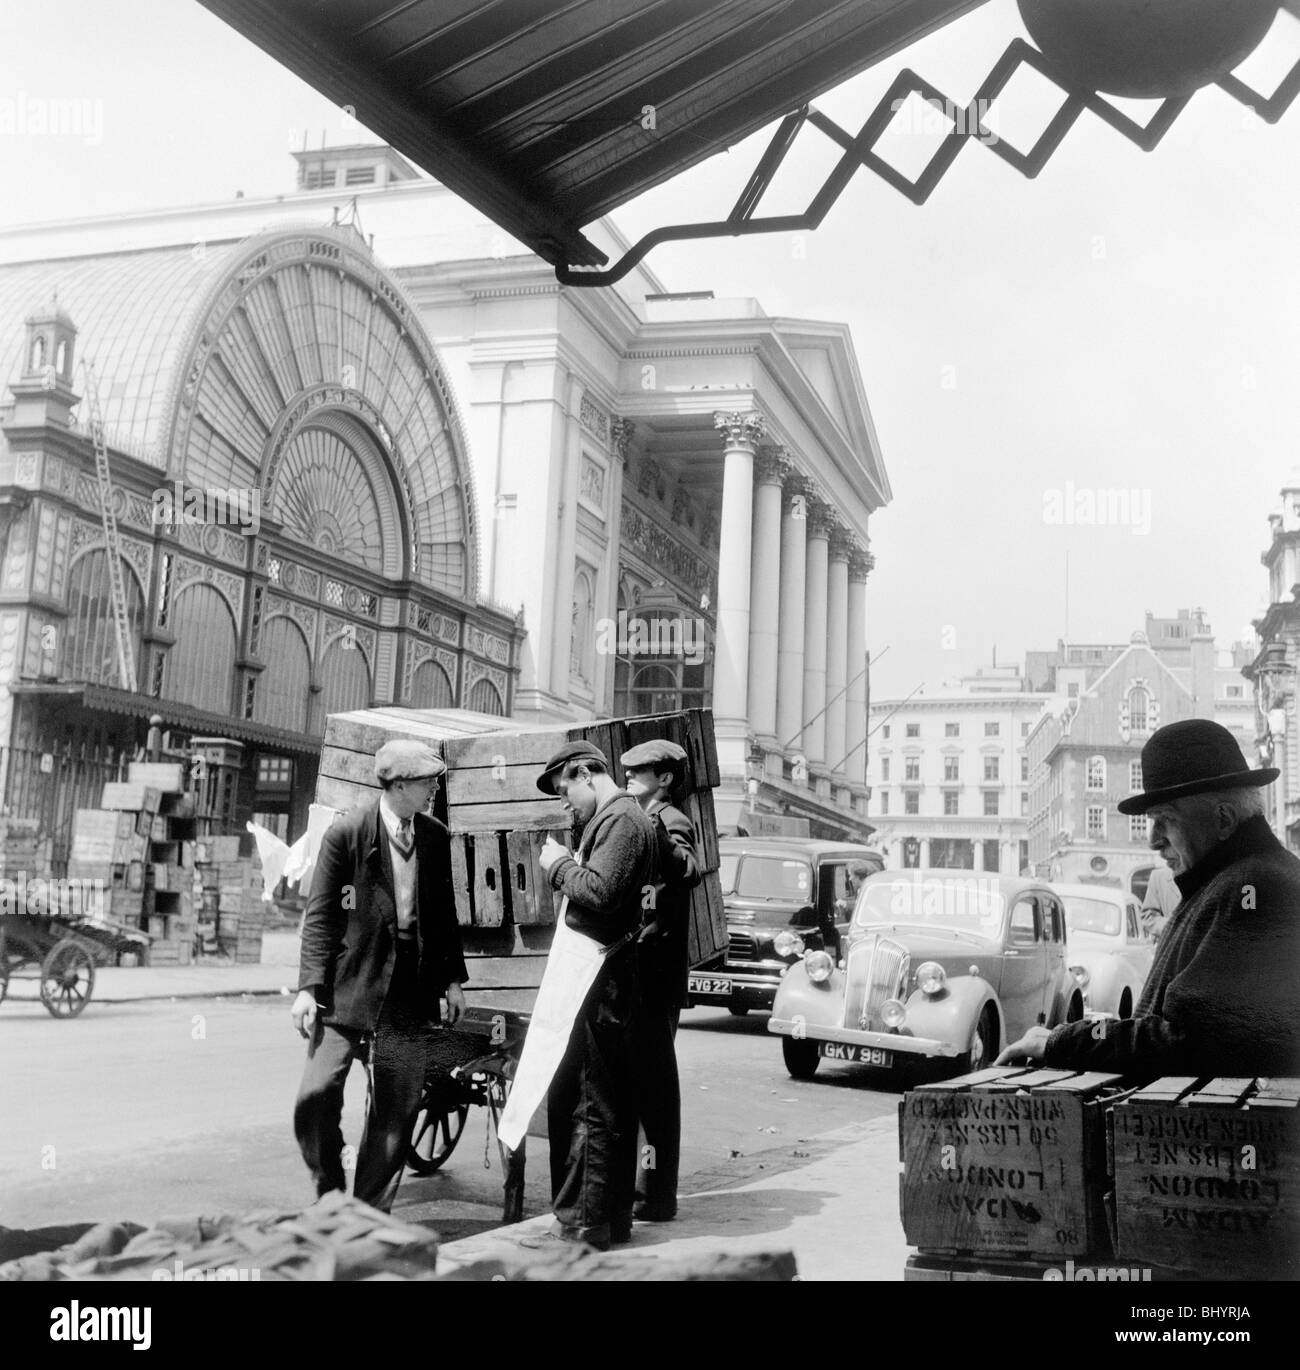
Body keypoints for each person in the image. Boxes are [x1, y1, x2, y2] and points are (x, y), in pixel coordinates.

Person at [997, 719, 1300, 1079]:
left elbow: (1191, 1037)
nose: (1153, 841)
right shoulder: (1240, 880)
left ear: (1223, 818)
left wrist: (1063, 1041)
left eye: (1165, 820)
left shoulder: (1253, 890)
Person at [291, 739, 467, 1212]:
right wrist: (309, 989)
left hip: (410, 988)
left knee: (396, 1107)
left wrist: (452, 981)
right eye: (428, 781)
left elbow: (443, 914)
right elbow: (322, 916)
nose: (435, 788)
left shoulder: (432, 835)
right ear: (400, 785)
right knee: (314, 1097)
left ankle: (368, 1214)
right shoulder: (347, 834)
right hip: (349, 983)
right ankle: (330, 1195)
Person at [527, 741, 657, 1251]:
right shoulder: (616, 819)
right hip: (606, 980)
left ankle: (583, 1224)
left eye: (566, 789)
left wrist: (558, 865)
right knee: (607, 1103)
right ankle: (609, 1219)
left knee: (586, 1102)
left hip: (599, 982)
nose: (566, 801)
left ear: (586, 773)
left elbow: (601, 893)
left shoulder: (622, 821)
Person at [620, 739, 702, 1223]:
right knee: (640, 1083)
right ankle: (643, 1190)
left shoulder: (671, 820)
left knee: (654, 1088)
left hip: (655, 977)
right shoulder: (643, 816)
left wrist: (660, 836)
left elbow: (688, 869)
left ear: (665, 779)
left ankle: (656, 1196)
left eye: (641, 771)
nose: (631, 776)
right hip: (640, 974)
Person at [1139, 860, 1179, 942]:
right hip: (1170, 946)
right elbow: (1148, 917)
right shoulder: (1159, 876)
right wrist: (1173, 926)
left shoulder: (1210, 877)